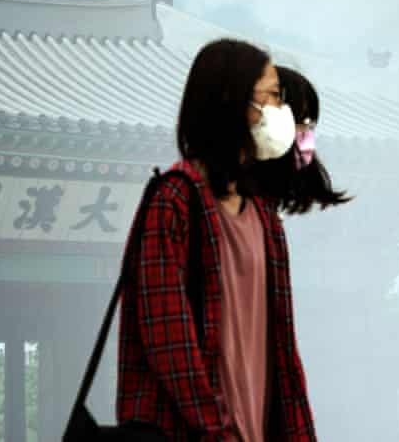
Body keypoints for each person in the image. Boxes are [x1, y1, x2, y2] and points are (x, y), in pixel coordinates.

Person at [117, 39, 317, 441]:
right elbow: (168, 342)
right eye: (272, 96)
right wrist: (216, 431)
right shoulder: (174, 199)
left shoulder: (262, 213)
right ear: (232, 101)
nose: (282, 110)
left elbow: (282, 348)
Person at [251, 65, 351, 214]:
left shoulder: (265, 208)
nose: (306, 135)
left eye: (310, 125)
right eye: (300, 121)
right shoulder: (231, 204)